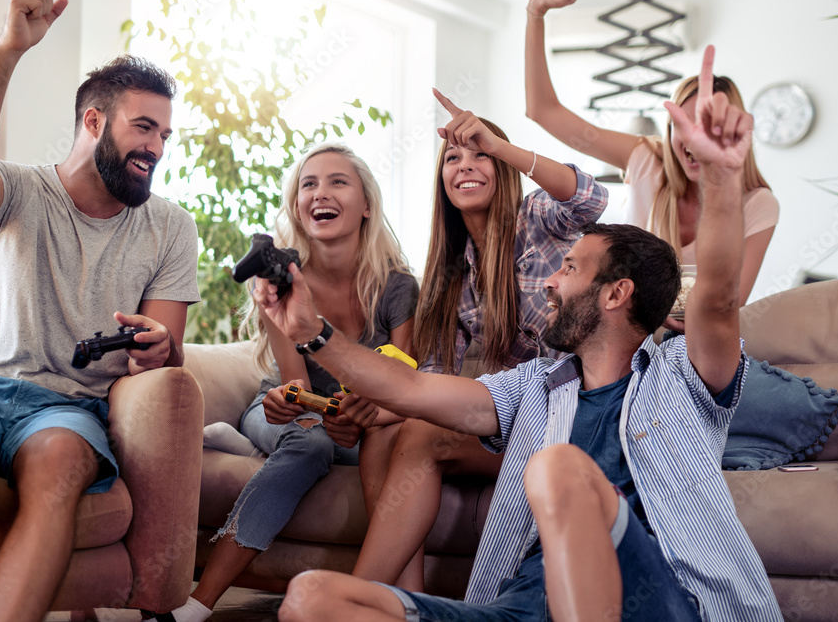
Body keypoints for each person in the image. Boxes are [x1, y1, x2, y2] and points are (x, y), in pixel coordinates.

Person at [265, 47, 783, 621]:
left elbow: (715, 296)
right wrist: (313, 333)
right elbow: (414, 390)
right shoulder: (532, 388)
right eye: (558, 266)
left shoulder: (684, 378)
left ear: (616, 294)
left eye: (569, 269)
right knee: (312, 597)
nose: (549, 284)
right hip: (520, 606)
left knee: (556, 467)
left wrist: (721, 175)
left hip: (662, 600)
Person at [0, 0, 199, 622]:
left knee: (60, 457)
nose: (157, 148)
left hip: (67, 408)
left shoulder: (170, 227)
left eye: (165, 134)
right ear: (93, 122)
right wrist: (9, 50)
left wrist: (158, 349)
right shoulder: (19, 191)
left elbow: (167, 346)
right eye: (143, 127)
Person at [353, 89, 608, 591]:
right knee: (383, 432)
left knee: (420, 434)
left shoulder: (538, 219)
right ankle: (407, 601)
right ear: (442, 179)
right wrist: (377, 406)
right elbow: (433, 377)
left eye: (481, 154)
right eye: (453, 157)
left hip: (574, 417)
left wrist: (501, 143)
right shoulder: (452, 271)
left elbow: (590, 196)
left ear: (502, 167)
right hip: (516, 418)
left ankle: (355, 602)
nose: (465, 165)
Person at [171, 143, 419, 622]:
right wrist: (294, 405)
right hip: (291, 410)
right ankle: (198, 604)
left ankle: (255, 452)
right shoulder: (278, 280)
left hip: (359, 424)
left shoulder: (397, 287)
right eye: (309, 184)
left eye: (337, 182)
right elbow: (295, 382)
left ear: (367, 205)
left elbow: (402, 380)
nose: (319, 193)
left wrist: (362, 419)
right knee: (308, 442)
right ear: (296, 206)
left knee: (333, 440)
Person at [525, 0, 778, 311]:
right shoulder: (647, 159)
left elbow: (728, 303)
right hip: (628, 332)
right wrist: (535, 12)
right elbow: (543, 111)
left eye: (706, 126)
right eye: (682, 125)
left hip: (696, 340)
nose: (693, 139)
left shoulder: (757, 203)